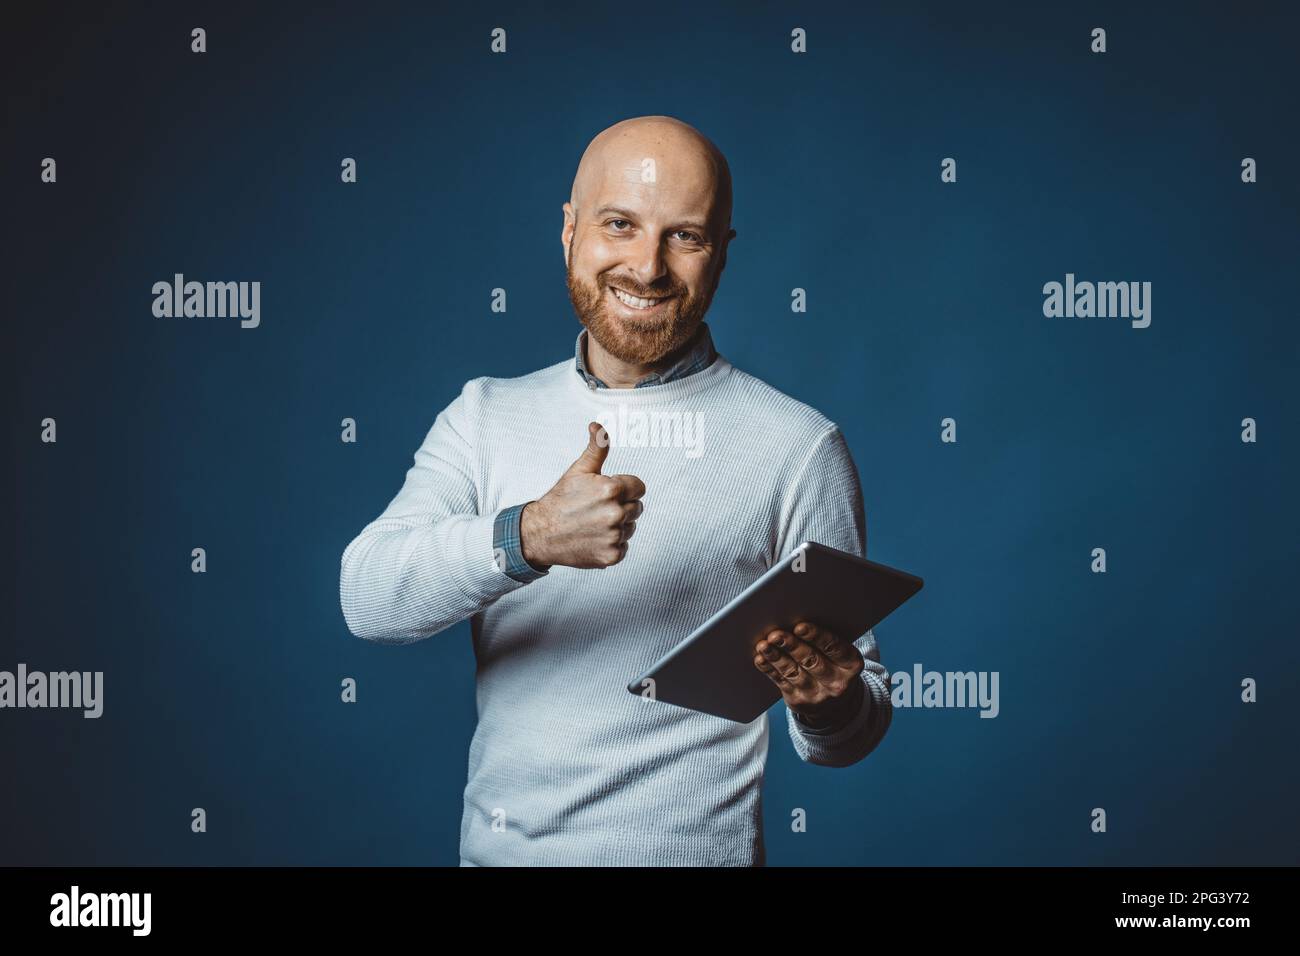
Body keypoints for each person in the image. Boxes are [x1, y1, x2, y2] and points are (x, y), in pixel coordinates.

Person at [340, 115, 892, 866]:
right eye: (620, 224)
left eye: (684, 236)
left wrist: (830, 704)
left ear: (722, 253)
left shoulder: (796, 446)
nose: (647, 266)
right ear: (570, 230)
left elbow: (850, 731)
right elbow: (367, 599)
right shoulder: (483, 416)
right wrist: (528, 537)